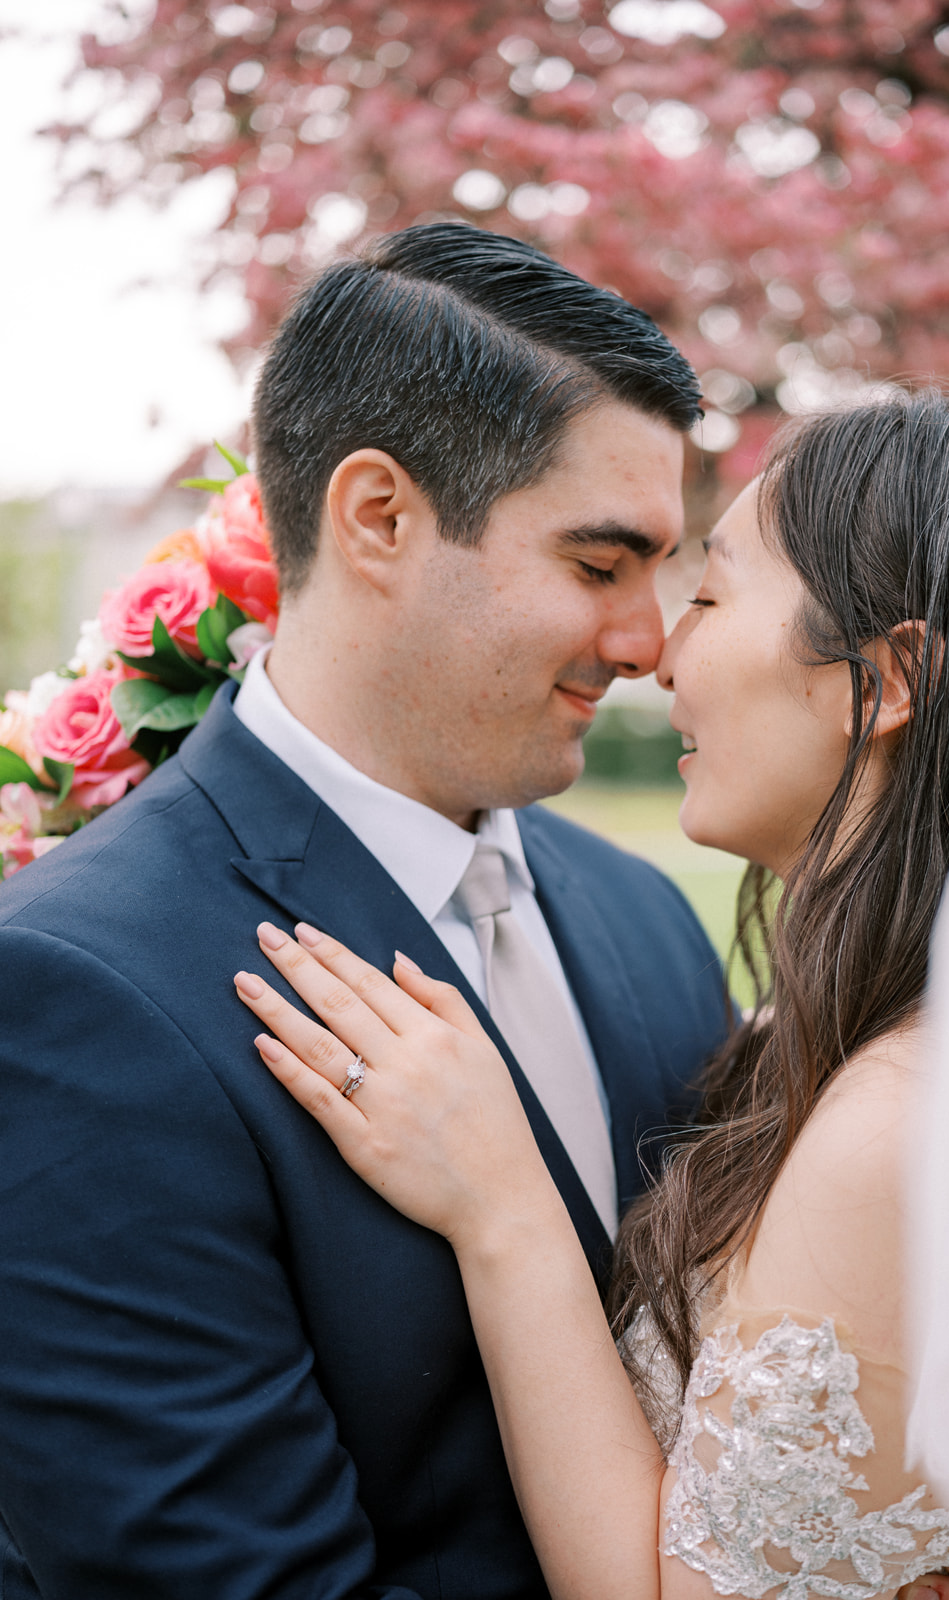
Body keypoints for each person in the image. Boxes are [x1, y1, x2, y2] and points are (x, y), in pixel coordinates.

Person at [234, 390, 949, 1599]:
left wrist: (504, 1207)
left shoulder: (902, 1125)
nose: (657, 650)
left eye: (706, 594)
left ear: (884, 680)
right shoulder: (901, 1042)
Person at [0, 224, 730, 1598]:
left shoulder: (650, 923)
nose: (650, 642)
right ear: (380, 517)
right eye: (599, 563)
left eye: (663, 568)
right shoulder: (74, 991)